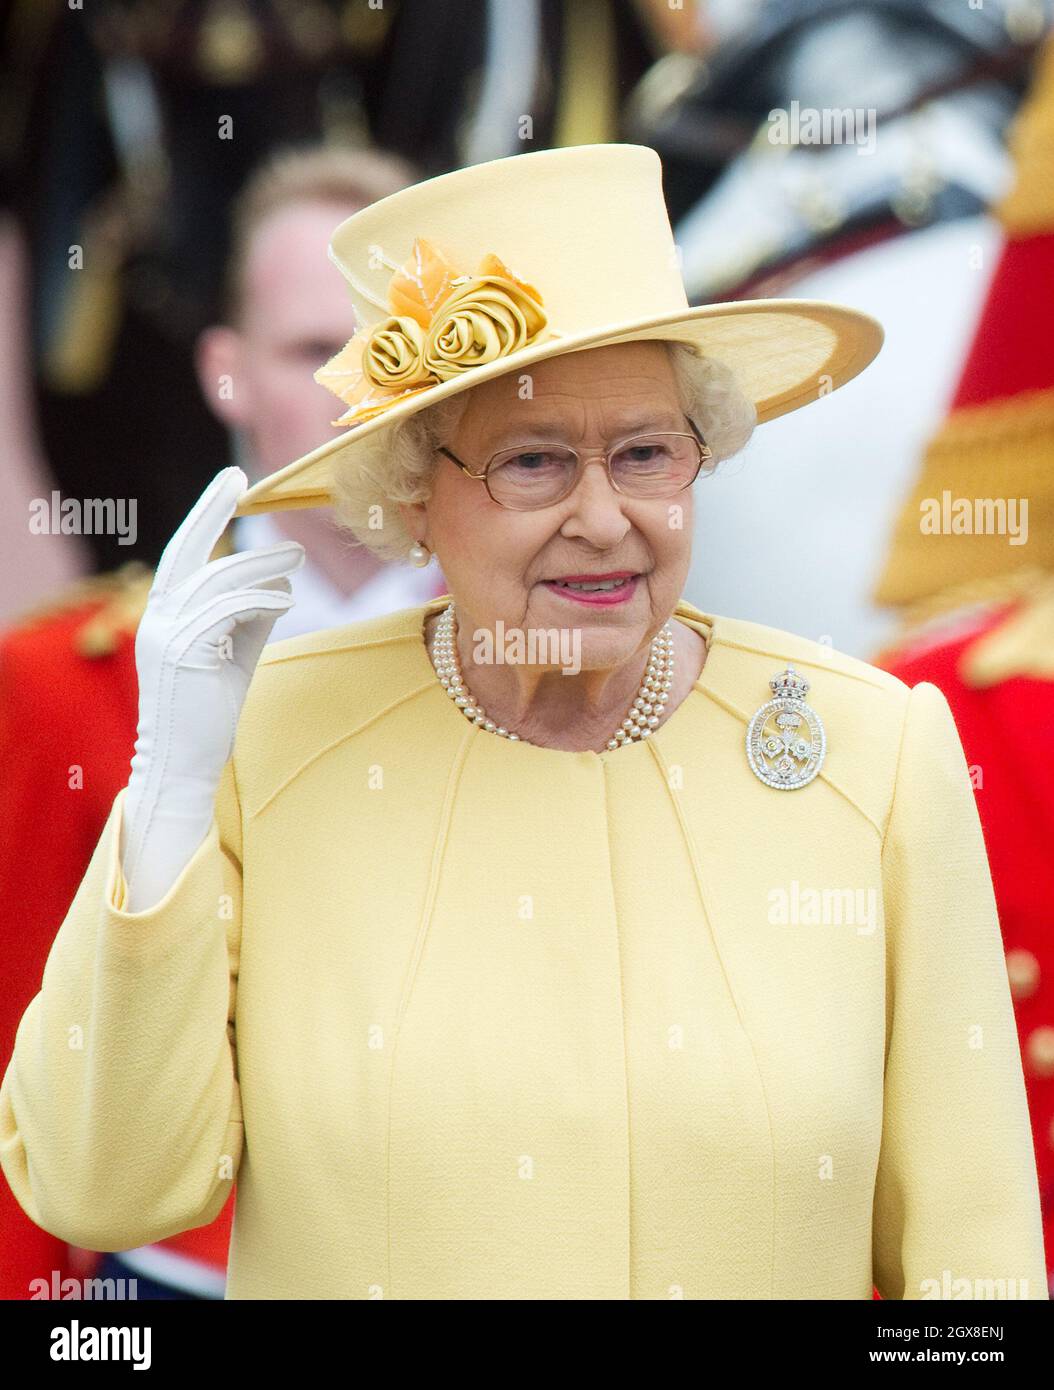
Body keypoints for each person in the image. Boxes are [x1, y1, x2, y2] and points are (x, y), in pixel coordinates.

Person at [1, 143, 1046, 1300]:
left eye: (647, 454)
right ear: (411, 492)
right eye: (534, 463)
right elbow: (105, 1190)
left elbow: (973, 1276)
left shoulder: (872, 748)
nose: (604, 520)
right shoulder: (272, 742)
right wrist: (172, 792)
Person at [0, 144, 441, 1300]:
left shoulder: (545, 668)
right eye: (313, 351)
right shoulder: (56, 682)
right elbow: (18, 1037)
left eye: (394, 353)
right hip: (163, 1276)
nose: (357, 391)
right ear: (224, 370)